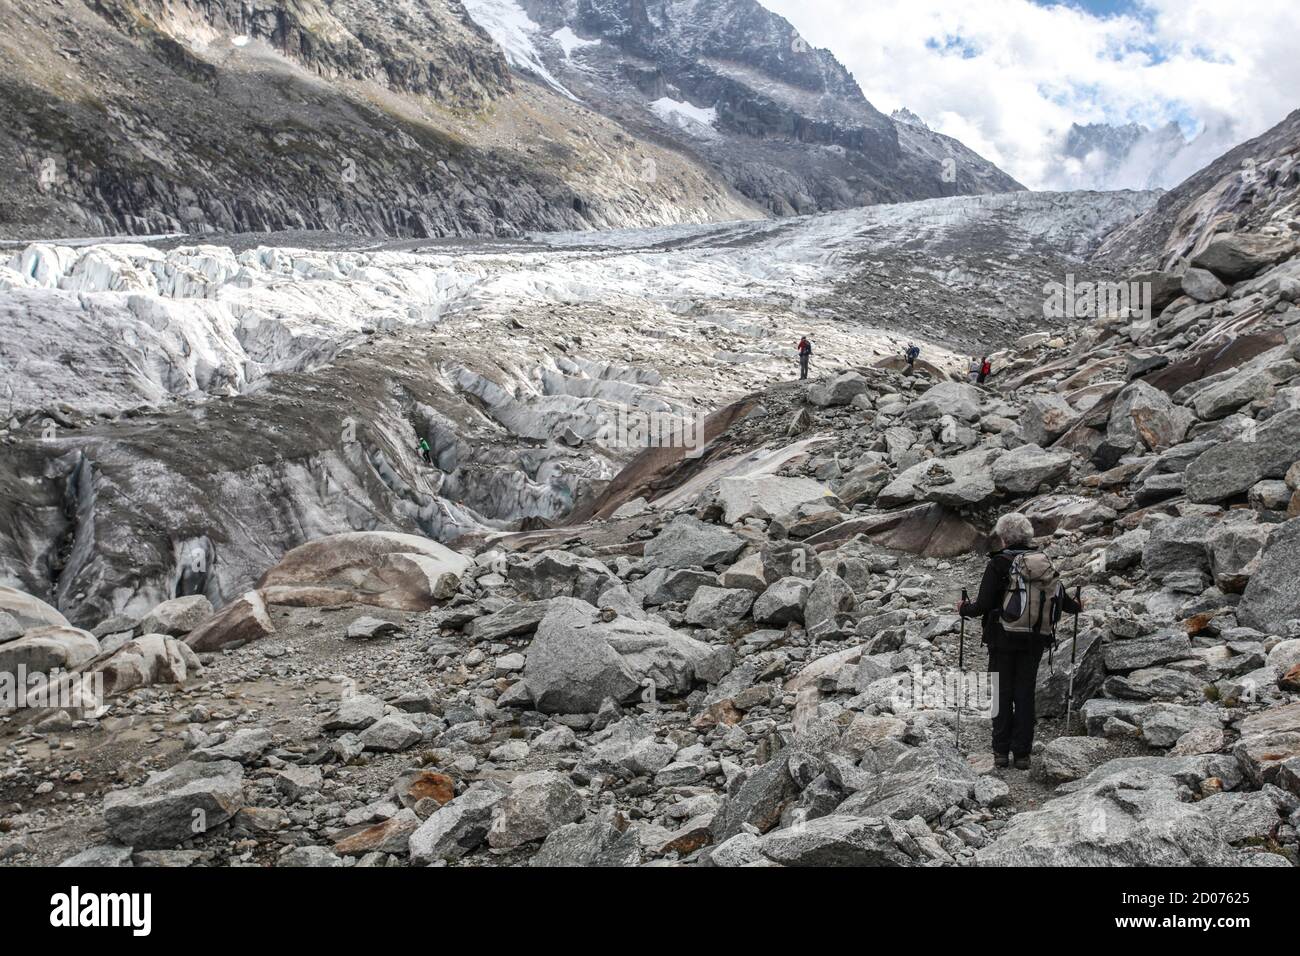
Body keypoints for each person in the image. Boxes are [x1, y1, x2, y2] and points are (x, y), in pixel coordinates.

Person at [958, 512, 1082, 770]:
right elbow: (1064, 601)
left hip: (1002, 639)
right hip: (1036, 640)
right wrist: (1078, 606)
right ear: (1028, 536)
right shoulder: (1043, 562)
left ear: (1004, 537)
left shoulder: (999, 563)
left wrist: (963, 609)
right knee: (1024, 693)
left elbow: (982, 606)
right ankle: (1023, 755)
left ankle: (1001, 752)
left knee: (1002, 694)